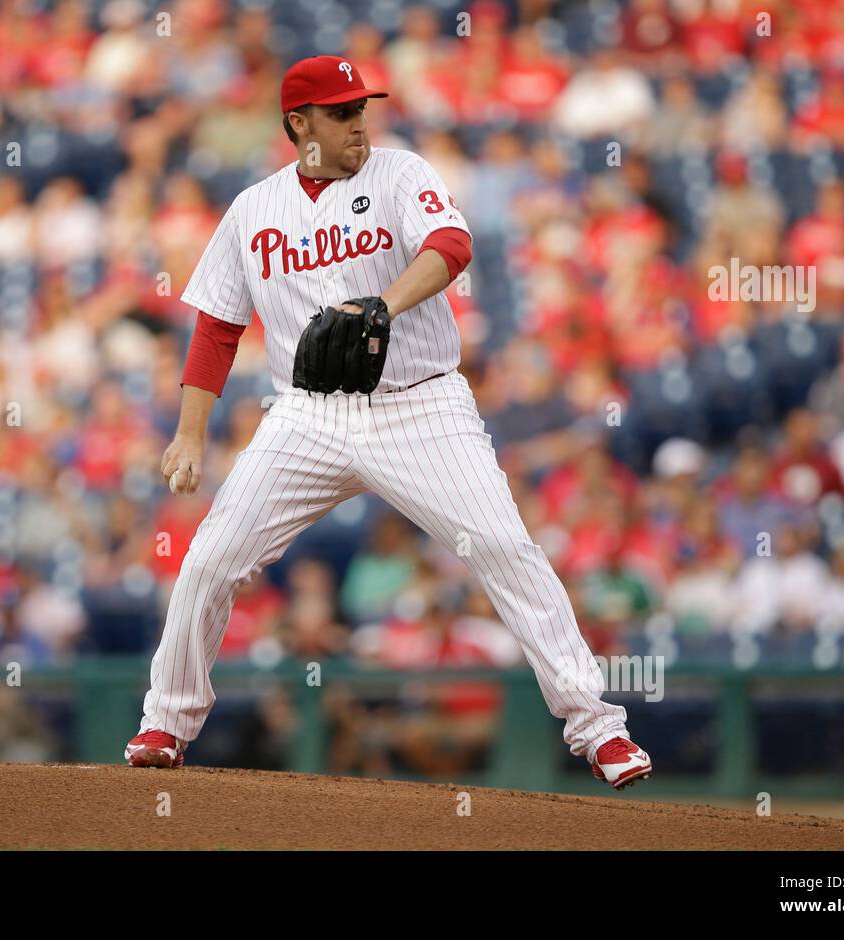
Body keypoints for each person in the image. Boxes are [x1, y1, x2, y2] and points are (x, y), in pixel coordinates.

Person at [123, 56, 651, 790]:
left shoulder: (400, 174)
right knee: (211, 559)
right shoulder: (252, 210)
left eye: (361, 109)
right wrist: (188, 433)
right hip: (306, 415)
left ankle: (599, 729)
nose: (357, 124)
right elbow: (216, 327)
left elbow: (452, 247)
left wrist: (383, 306)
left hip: (420, 403)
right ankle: (166, 724)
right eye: (341, 114)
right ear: (298, 125)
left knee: (504, 545)